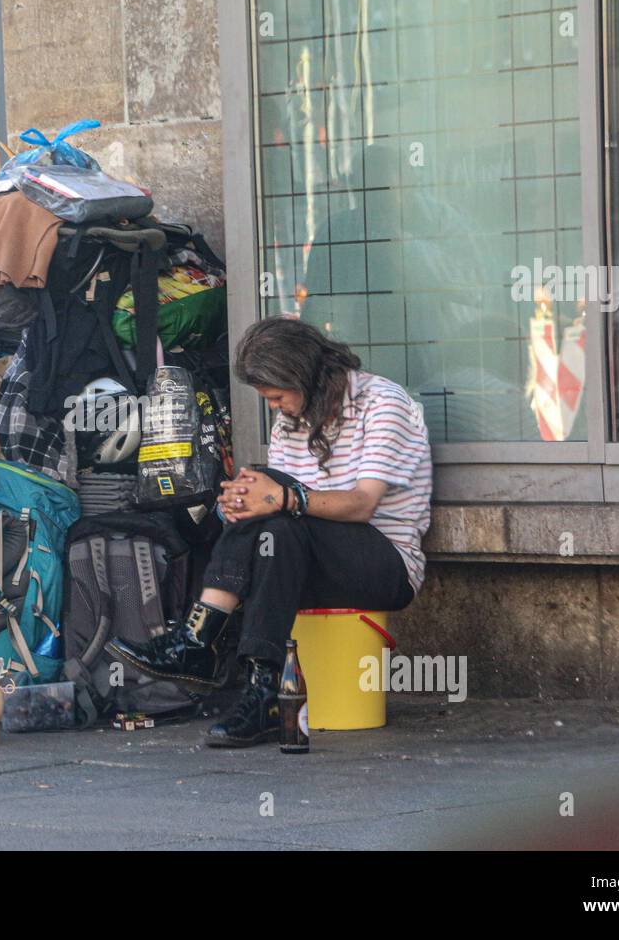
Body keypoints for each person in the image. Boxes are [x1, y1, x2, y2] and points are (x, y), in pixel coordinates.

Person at [107, 316, 432, 747]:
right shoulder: (292, 420)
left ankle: (198, 640)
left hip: (384, 564)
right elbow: (279, 506)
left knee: (278, 510)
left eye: (277, 396)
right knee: (272, 525)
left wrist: (280, 498)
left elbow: (361, 503)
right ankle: (261, 692)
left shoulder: (383, 404)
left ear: (303, 376)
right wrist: (240, 506)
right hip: (304, 561)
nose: (275, 408)